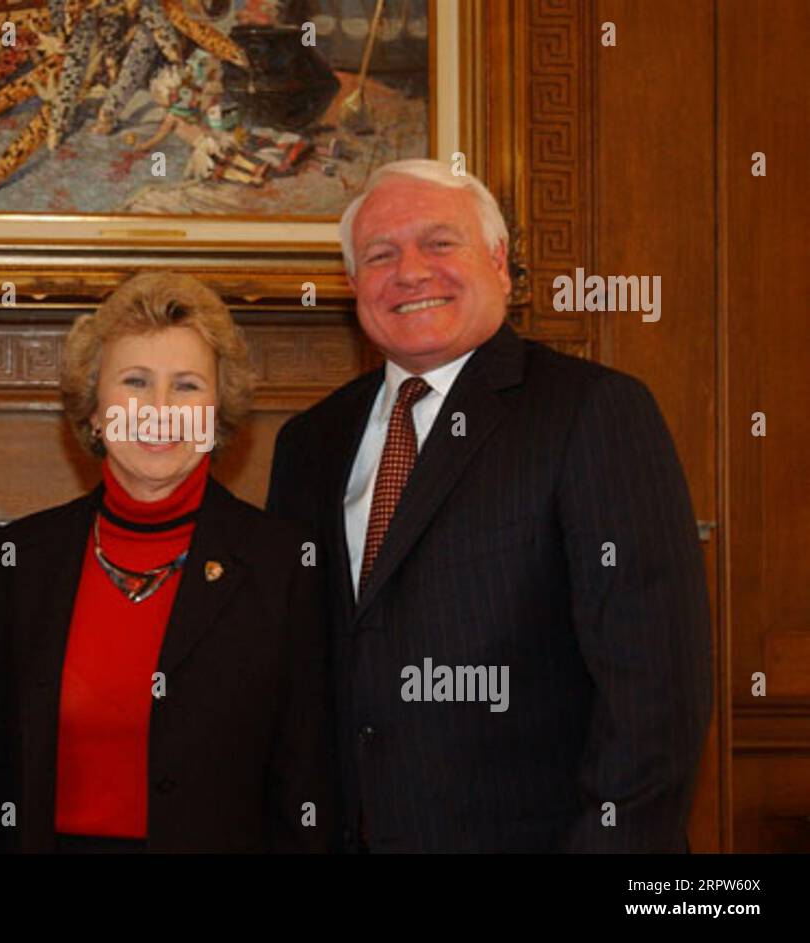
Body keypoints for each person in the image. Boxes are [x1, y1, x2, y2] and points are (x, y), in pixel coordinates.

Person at [267, 159, 712, 852]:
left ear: (499, 263)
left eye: (440, 244)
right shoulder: (308, 443)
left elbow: (655, 692)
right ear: (353, 284)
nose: (410, 271)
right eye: (381, 254)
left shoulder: (593, 411)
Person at [0, 272, 333, 853]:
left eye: (186, 386)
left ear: (216, 412)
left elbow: (306, 786)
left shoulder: (283, 566)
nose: (159, 409)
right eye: (134, 381)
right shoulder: (22, 559)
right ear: (96, 409)